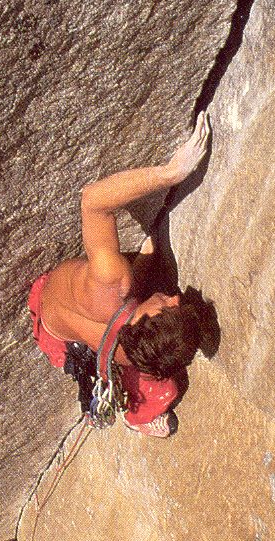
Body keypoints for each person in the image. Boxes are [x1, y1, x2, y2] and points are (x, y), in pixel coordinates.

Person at [28, 111, 218, 437]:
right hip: (70, 337)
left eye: (168, 307)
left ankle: (135, 415)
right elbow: (92, 201)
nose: (175, 296)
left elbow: (95, 203)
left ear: (143, 319)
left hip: (52, 328)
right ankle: (138, 414)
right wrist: (170, 174)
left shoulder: (113, 282)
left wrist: (170, 175)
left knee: (166, 381)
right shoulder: (134, 353)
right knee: (164, 388)